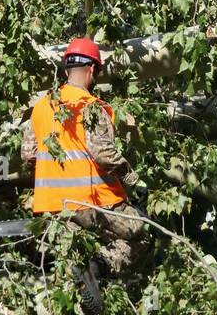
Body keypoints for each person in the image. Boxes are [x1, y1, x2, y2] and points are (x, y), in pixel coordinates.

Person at [21, 37, 148, 275]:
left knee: (75, 259)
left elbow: (28, 155)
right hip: (90, 201)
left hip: (51, 207)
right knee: (139, 235)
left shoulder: (42, 106)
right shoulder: (91, 107)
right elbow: (103, 154)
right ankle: (100, 267)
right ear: (92, 69)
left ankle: (88, 278)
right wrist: (133, 180)